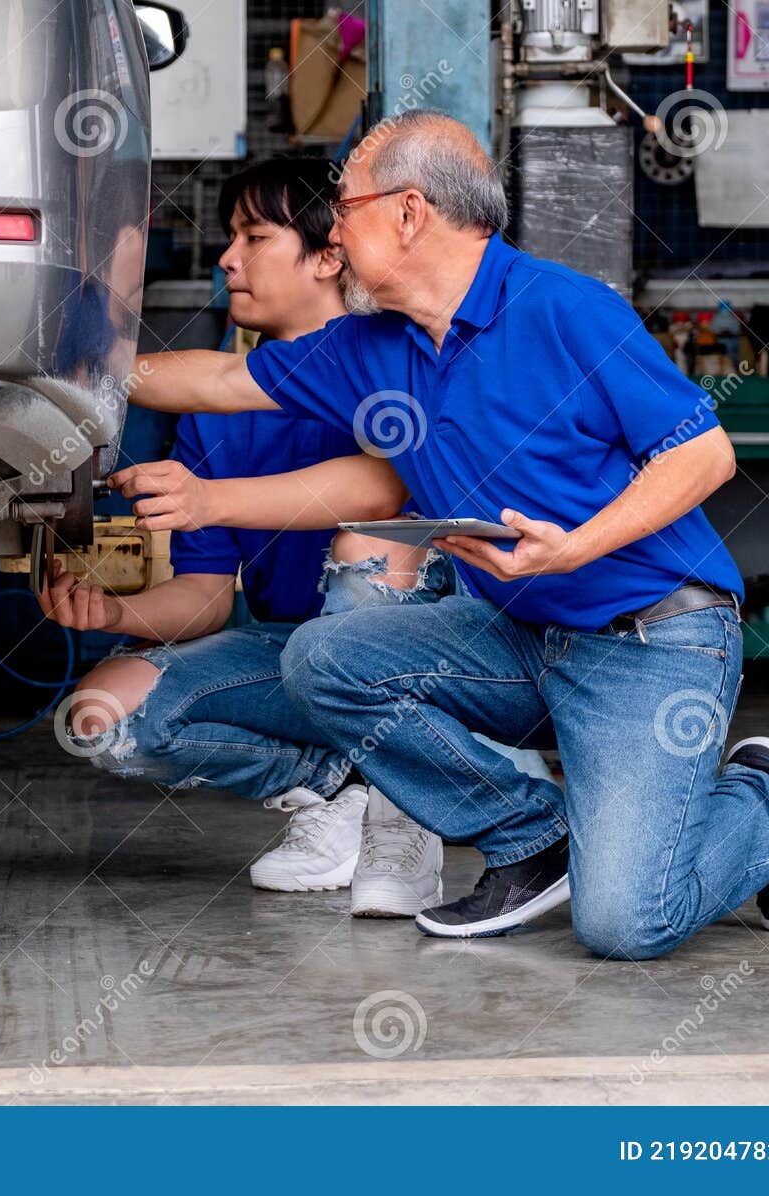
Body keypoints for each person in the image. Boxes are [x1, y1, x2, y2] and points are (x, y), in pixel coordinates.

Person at [117, 111, 769, 959]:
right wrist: (77, 367)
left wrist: (576, 546)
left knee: (624, 923)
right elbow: (219, 379)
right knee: (323, 659)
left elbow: (703, 454)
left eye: (343, 209)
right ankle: (531, 839)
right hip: (523, 636)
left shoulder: (563, 308)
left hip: (650, 638)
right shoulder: (372, 346)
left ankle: (761, 801)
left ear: (409, 212)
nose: (334, 234)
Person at [42, 157, 550, 915]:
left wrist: (211, 499)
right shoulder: (215, 410)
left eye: (254, 237)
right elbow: (208, 595)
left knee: (371, 543)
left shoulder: (391, 360)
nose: (227, 259)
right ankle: (341, 789)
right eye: (230, 238)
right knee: (99, 718)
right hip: (291, 651)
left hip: (430, 661)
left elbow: (385, 492)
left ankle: (405, 811)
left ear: (328, 255)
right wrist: (115, 614)